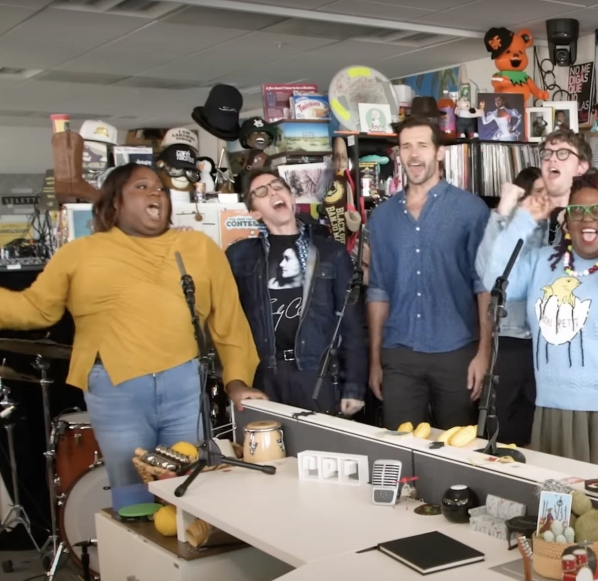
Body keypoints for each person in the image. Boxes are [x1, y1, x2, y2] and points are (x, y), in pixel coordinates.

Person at [0, 164, 264, 509]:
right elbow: (36, 310)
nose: (156, 193)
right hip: (115, 389)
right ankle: (139, 560)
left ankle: (187, 555)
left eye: (160, 188)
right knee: (133, 491)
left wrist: (238, 381)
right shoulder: (79, 253)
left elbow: (229, 320)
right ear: (115, 204)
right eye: (142, 186)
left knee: (188, 490)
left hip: (184, 386)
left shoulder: (197, 246)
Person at [484, 170, 598, 471]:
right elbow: (494, 278)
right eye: (577, 211)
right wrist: (515, 219)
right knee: (557, 510)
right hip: (553, 409)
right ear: (566, 222)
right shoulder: (541, 261)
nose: (588, 219)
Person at [367, 116, 491, 431]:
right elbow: (379, 289)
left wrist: (484, 354)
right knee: (401, 448)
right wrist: (375, 360)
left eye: (422, 145)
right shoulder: (382, 218)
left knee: (460, 452)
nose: (414, 154)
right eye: (406, 146)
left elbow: (484, 285)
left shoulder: (471, 210)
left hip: (457, 352)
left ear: (438, 153)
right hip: (400, 354)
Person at [227, 168, 367, 417]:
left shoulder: (331, 253)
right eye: (261, 192)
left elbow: (351, 324)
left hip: (317, 374)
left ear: (292, 198)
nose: (273, 192)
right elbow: (224, 319)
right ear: (254, 212)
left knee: (322, 453)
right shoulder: (239, 257)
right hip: (263, 375)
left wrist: (354, 386)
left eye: (278, 186)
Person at [474, 167, 545, 444]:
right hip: (511, 338)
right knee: (503, 426)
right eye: (537, 193)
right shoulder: (509, 228)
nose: (543, 199)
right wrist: (503, 212)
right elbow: (485, 271)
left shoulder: (556, 227)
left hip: (545, 342)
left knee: (540, 425)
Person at [537, 130, 593, 244]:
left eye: (563, 153)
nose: (552, 158)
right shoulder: (523, 215)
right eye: (547, 153)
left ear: (581, 167)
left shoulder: (592, 217)